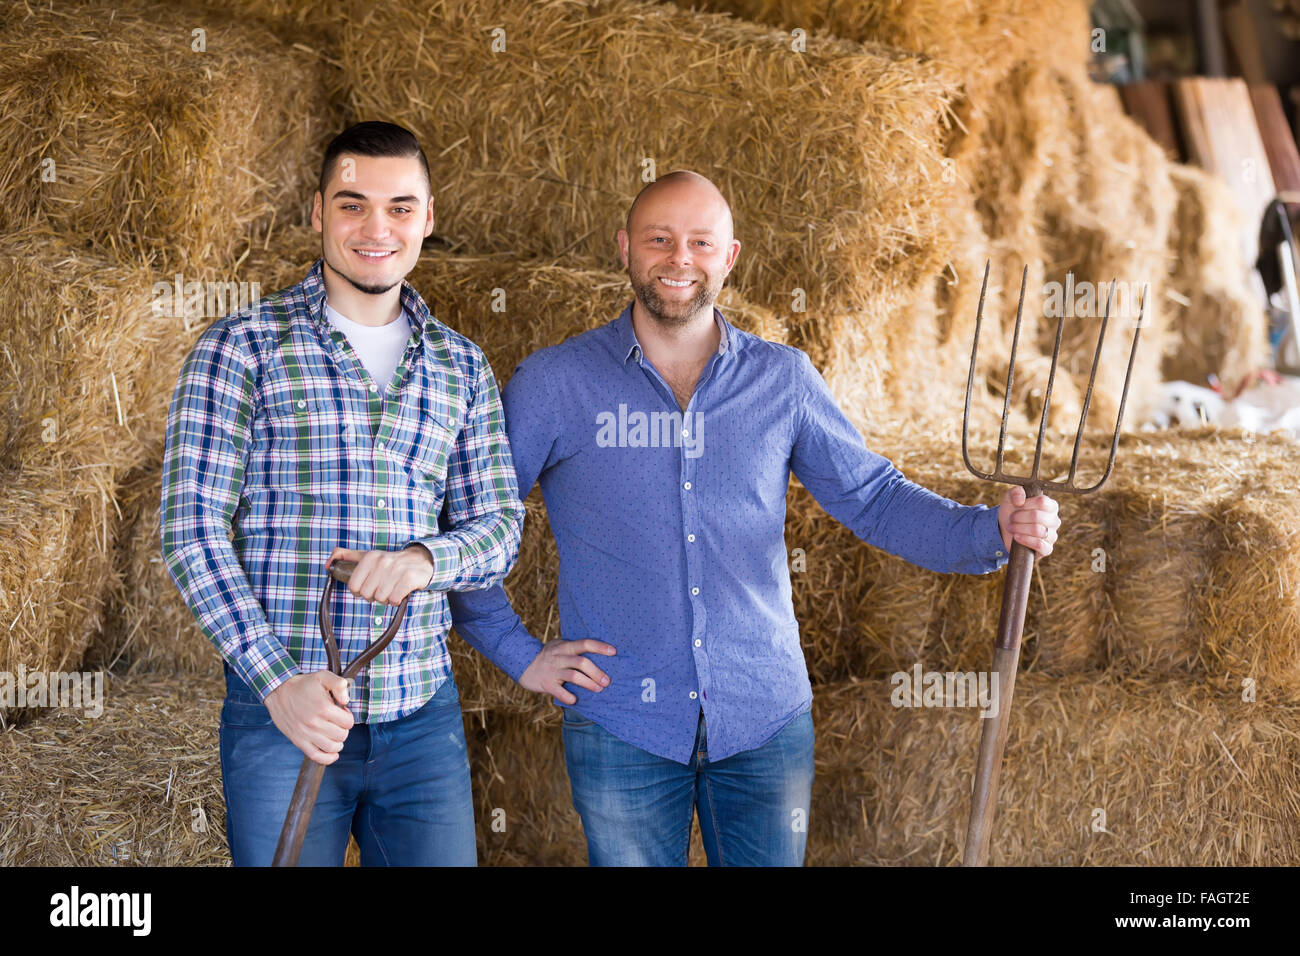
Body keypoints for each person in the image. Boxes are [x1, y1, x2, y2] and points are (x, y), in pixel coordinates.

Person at [449, 170, 1060, 866]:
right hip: (623, 725)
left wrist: (991, 531)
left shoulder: (784, 380)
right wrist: (518, 654)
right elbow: (470, 526)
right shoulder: (554, 385)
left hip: (764, 718)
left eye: (701, 243)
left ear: (729, 257)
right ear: (624, 247)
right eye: (660, 239)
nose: (681, 259)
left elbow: (875, 497)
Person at [161, 121, 523, 866]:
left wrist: (428, 557)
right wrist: (276, 682)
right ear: (317, 212)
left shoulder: (461, 366)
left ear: (428, 218)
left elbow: (500, 527)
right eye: (353, 204)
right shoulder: (239, 348)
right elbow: (191, 531)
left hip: (422, 716)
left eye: (399, 207)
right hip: (283, 717)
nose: (376, 228)